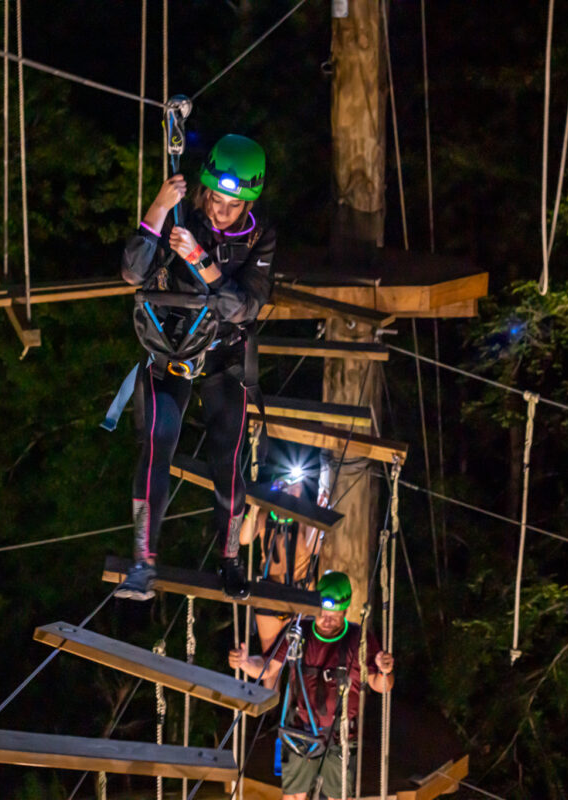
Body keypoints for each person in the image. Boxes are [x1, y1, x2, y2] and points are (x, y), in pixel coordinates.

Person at [115, 133, 274, 601]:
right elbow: (132, 272)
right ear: (204, 190)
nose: (222, 212)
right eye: (216, 200)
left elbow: (246, 306)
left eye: (234, 206)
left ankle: (229, 559)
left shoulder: (261, 233)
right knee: (156, 442)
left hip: (224, 357)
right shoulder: (183, 216)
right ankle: (143, 562)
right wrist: (159, 209)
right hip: (172, 353)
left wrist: (200, 261)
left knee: (227, 460)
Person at [229, 572, 394, 800]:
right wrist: (246, 663)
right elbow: (267, 668)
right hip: (299, 731)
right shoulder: (299, 631)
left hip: (339, 737)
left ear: (345, 611)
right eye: (322, 615)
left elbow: (381, 685)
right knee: (294, 797)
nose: (326, 621)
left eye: (333, 617)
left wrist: (384, 670)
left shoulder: (359, 638)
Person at [240, 471, 325, 653]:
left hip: (300, 592)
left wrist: (318, 511)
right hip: (270, 592)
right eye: (282, 485)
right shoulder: (265, 514)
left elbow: (314, 548)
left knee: (299, 659)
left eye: (294, 486)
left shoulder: (304, 518)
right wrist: (255, 505)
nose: (288, 491)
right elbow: (244, 539)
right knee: (269, 657)